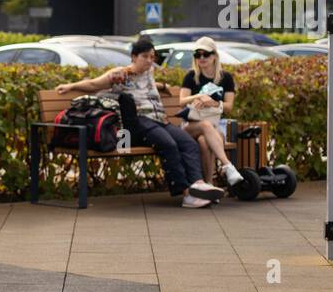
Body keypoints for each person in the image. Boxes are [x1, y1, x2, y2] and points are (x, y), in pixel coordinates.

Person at [56, 35, 224, 208]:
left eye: (152, 57)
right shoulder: (120, 74)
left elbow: (146, 84)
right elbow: (94, 85)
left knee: (188, 143)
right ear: (134, 57)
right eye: (145, 56)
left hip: (159, 120)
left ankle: (197, 184)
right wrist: (71, 86)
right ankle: (186, 194)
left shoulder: (149, 72)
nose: (149, 61)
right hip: (138, 125)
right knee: (169, 145)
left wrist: (163, 86)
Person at [179, 37, 244, 187]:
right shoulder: (191, 76)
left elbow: (229, 107)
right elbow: (181, 101)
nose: (201, 58)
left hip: (216, 126)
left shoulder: (225, 77)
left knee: (204, 141)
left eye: (205, 54)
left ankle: (208, 184)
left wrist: (214, 103)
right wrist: (199, 96)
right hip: (191, 125)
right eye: (197, 54)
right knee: (206, 126)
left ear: (215, 56)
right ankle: (228, 166)